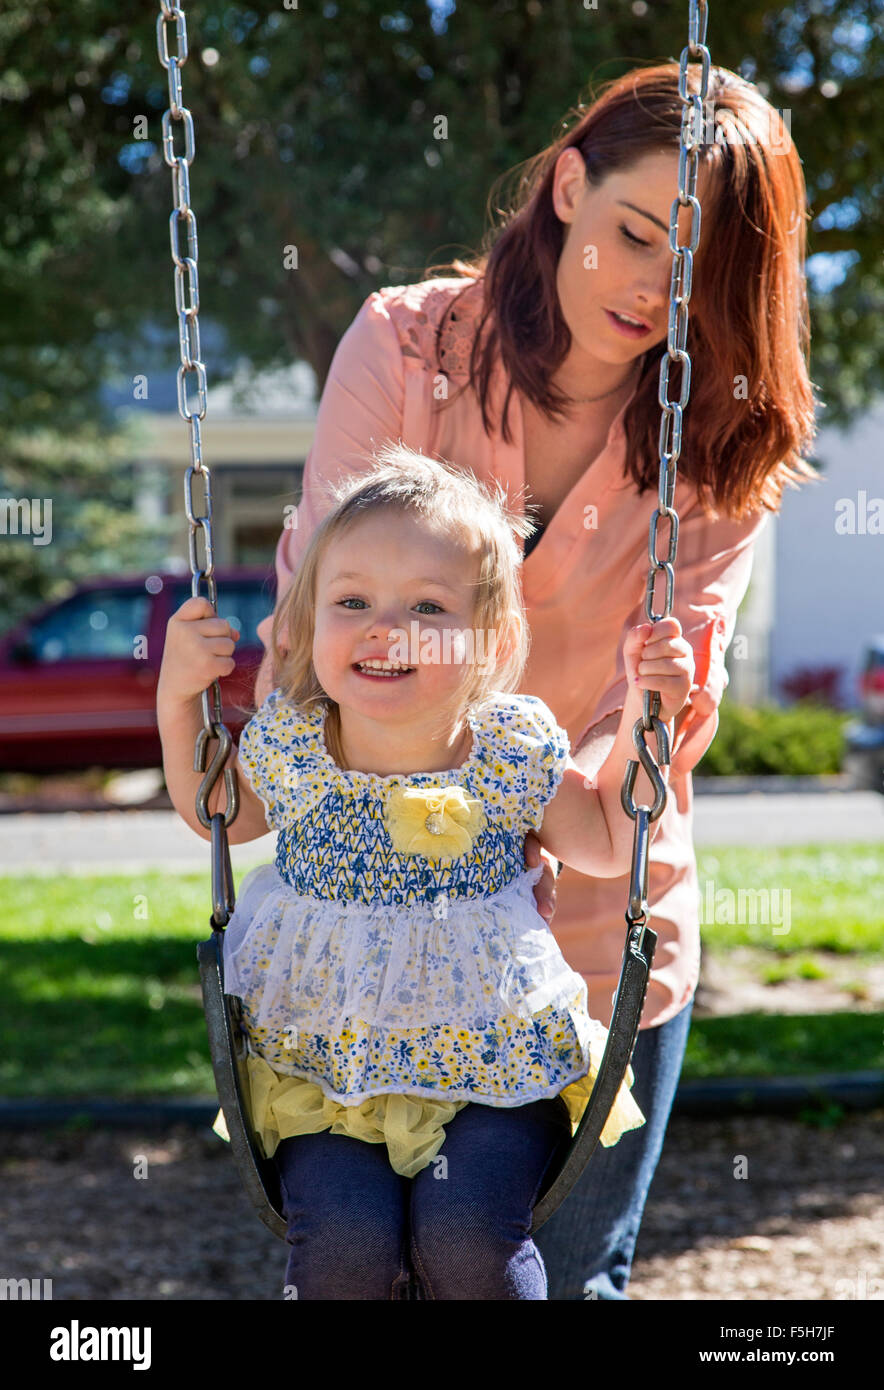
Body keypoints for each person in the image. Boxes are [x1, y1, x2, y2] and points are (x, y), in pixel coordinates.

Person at [248, 63, 819, 1297]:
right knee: (363, 1256)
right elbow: (316, 621)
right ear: (566, 186)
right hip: (378, 915)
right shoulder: (408, 348)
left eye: (697, 270)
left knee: (548, 1273)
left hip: (592, 918)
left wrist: (572, 812)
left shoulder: (711, 438)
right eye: (630, 234)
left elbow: (659, 708)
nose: (648, 290)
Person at [157, 448, 697, 1299]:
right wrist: (178, 694)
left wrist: (642, 714)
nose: (386, 625)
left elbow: (601, 836)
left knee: (470, 1239)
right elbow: (214, 810)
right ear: (306, 623)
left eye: (428, 606)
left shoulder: (508, 751)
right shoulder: (294, 743)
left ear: (492, 637)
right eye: (353, 601)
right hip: (324, 1068)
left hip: (493, 1062)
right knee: (344, 1248)